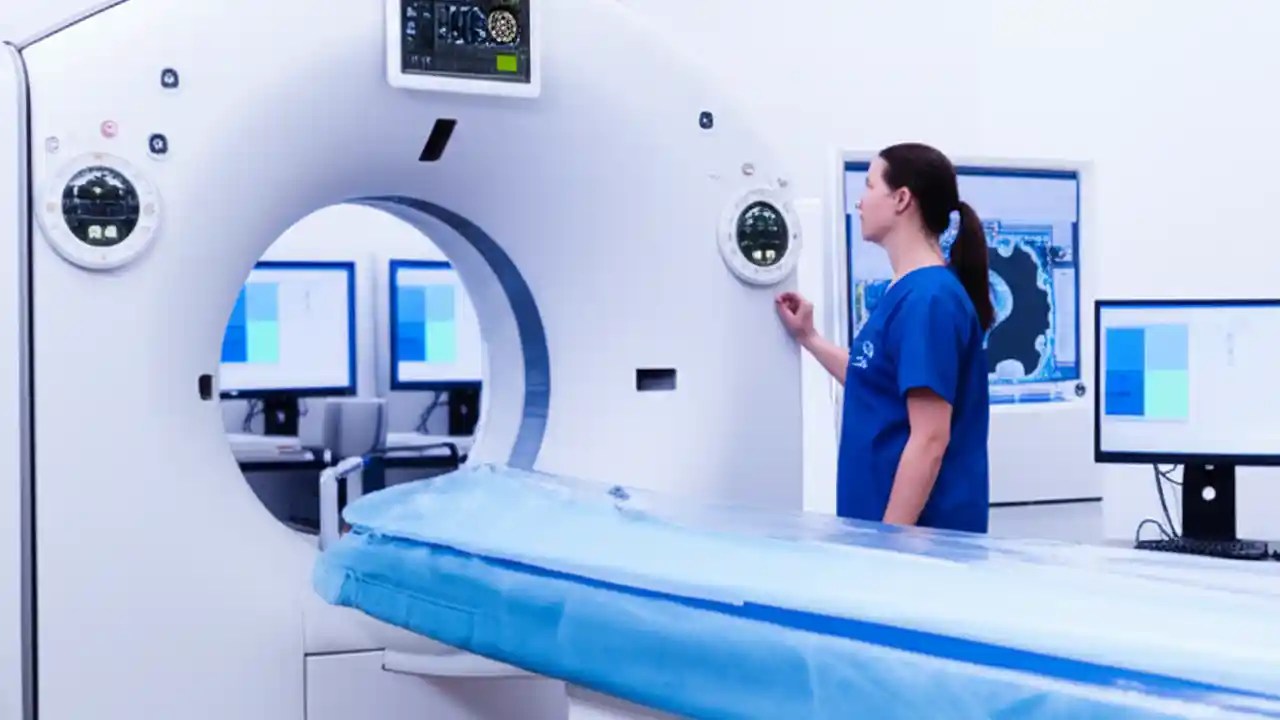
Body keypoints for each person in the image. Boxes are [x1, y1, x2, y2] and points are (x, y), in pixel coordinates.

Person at [776, 142, 992, 533]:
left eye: (869, 186)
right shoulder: (908, 292)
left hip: (918, 548)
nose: (859, 202)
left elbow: (929, 439)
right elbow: (876, 383)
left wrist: (890, 547)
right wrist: (810, 338)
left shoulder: (929, 300)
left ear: (902, 199)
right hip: (885, 537)